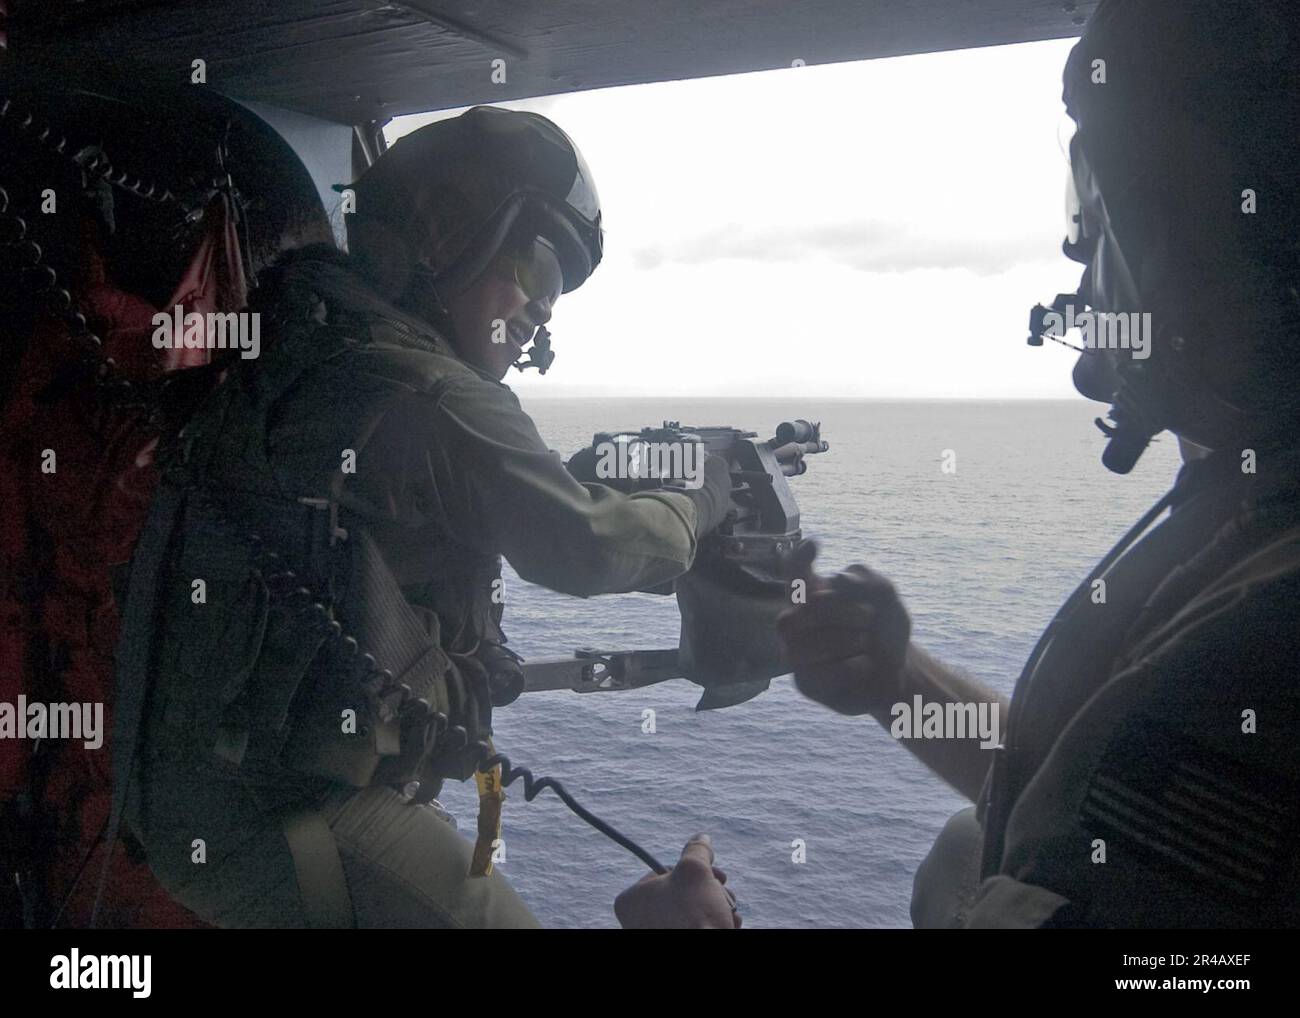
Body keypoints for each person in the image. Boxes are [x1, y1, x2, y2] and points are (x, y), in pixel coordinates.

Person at [114, 105, 739, 928]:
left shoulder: (311, 342)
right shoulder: (424, 391)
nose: (544, 309)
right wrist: (702, 496)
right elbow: (588, 546)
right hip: (281, 810)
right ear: (449, 231)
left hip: (202, 788)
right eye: (539, 266)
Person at [778, 0, 1300, 928]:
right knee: (960, 847)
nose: (1084, 273)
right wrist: (897, 683)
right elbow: (1079, 777)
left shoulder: (1261, 635)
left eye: (1100, 224)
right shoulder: (1254, 511)